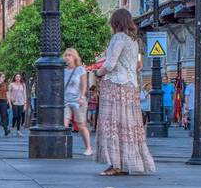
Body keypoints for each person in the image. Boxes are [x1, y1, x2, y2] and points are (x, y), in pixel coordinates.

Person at [92, 9, 154, 176]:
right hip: (131, 86)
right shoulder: (134, 41)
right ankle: (128, 162)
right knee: (128, 125)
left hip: (115, 86)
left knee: (113, 124)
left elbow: (110, 64)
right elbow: (137, 66)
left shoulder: (118, 38)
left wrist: (97, 73)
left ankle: (115, 164)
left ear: (116, 22)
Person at [63, 47, 93, 156]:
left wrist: (81, 97)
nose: (67, 58)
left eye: (69, 55)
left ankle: (88, 147)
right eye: (66, 55)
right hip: (65, 100)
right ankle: (63, 147)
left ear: (75, 57)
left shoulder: (80, 69)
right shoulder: (63, 70)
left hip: (77, 100)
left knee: (81, 125)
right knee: (64, 125)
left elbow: (83, 85)